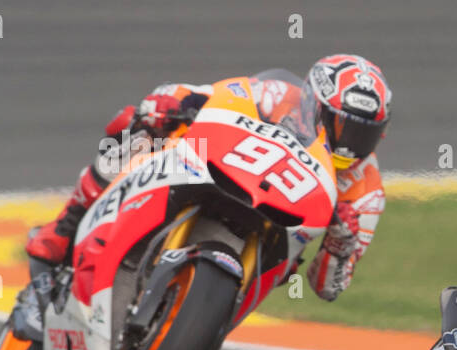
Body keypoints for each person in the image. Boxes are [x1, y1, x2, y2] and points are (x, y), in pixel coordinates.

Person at [24, 54, 392, 301]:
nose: (348, 145)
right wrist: (176, 100)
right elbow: (215, 96)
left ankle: (200, 329)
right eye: (340, 125)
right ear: (313, 103)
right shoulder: (280, 95)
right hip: (219, 171)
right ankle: (65, 226)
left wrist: (340, 245)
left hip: (275, 241)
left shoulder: (367, 193)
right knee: (136, 123)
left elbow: (326, 288)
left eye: (363, 134)